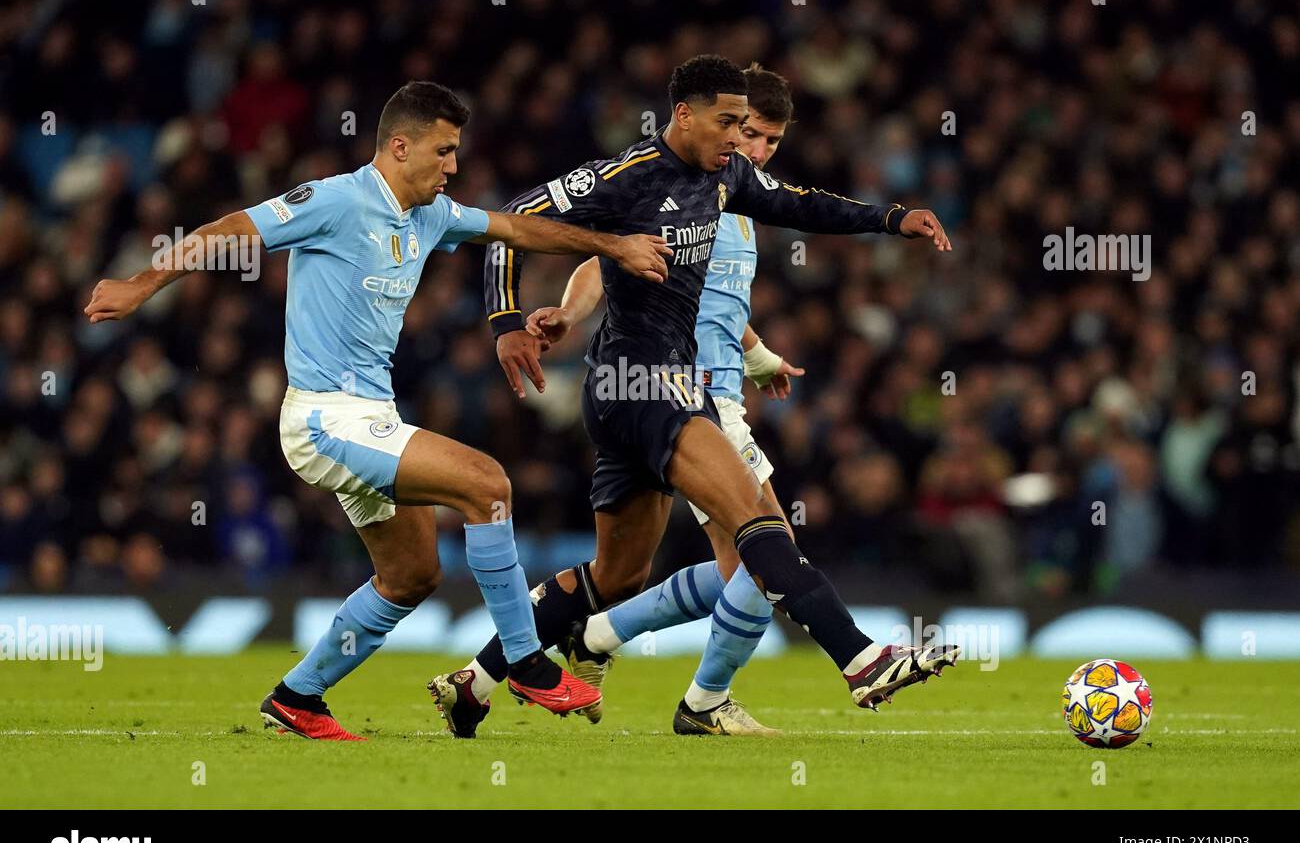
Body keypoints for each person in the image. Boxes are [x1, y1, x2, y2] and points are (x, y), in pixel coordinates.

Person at [84, 80, 673, 741]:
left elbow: (515, 227)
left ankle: (297, 696)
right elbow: (232, 231)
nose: (453, 166)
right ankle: (527, 660)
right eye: (444, 151)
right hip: (323, 418)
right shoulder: (336, 200)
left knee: (411, 573)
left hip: (370, 419)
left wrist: (613, 247)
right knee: (488, 484)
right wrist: (141, 283)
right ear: (400, 146)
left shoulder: (431, 215)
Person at [430, 56, 958, 740]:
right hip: (650, 384)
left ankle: (472, 682)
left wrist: (893, 218)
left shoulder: (726, 177)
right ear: (685, 114)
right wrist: (507, 321)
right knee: (758, 523)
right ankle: (857, 658)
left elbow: (802, 205)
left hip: (638, 395)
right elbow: (507, 221)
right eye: (730, 123)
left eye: (749, 126)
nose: (740, 139)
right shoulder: (625, 176)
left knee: (616, 576)